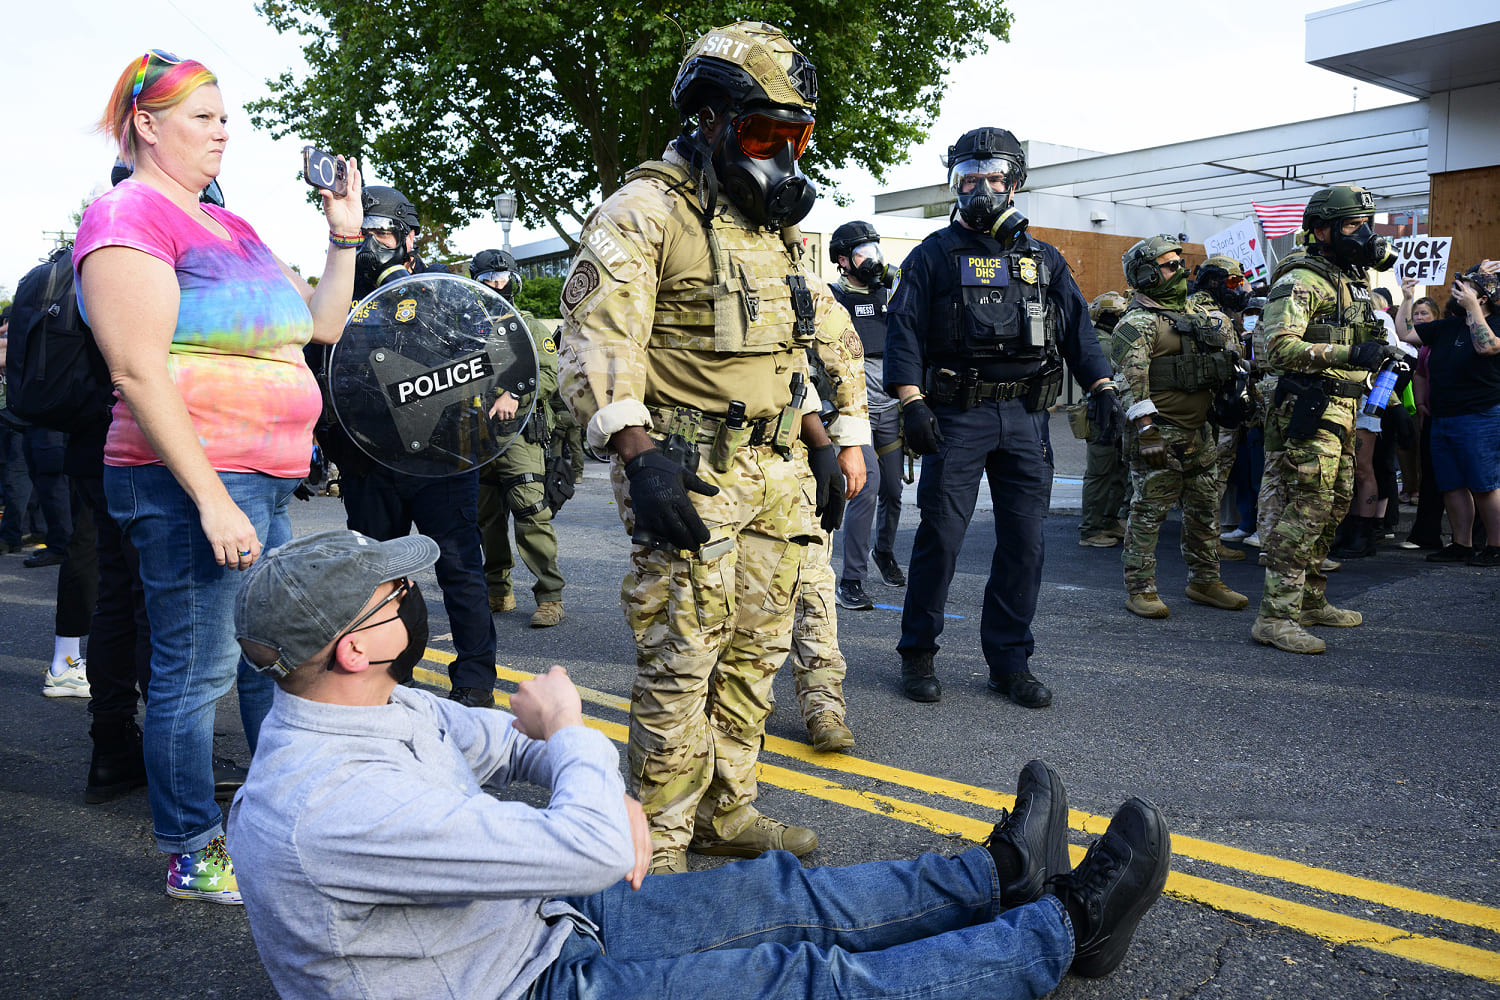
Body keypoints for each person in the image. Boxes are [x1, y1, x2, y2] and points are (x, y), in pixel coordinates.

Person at [228, 528, 1173, 1000]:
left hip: (538, 922)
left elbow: (521, 751)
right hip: (525, 987)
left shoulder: (372, 705)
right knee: (804, 981)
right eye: (396, 593)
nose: (413, 599)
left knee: (788, 898)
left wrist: (584, 793)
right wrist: (584, 773)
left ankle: (999, 874)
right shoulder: (327, 804)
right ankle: (1062, 932)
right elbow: (563, 770)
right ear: (355, 647)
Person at [558, 21, 869, 873]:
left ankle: (725, 813)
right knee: (682, 658)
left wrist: (822, 437)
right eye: (766, 134)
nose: (784, 155)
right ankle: (654, 846)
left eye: (795, 136)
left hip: (778, 475)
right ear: (708, 121)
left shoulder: (777, 232)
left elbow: (794, 342)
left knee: (755, 655)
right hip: (688, 469)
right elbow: (596, 338)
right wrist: (636, 452)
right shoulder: (646, 212)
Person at [75, 48, 362, 901]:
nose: (223, 132)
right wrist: (207, 498)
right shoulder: (129, 214)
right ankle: (192, 848)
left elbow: (321, 324)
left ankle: (272, 825)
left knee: (262, 660)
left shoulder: (226, 223)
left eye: (226, 116)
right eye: (202, 117)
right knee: (195, 669)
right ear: (147, 127)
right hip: (191, 482)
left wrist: (342, 230)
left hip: (264, 479)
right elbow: (135, 370)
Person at [884, 126, 1121, 706]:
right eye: (970, 177)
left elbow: (1078, 331)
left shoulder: (1043, 258)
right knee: (940, 536)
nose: (981, 188)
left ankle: (1010, 662)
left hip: (1025, 418)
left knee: (1025, 542)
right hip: (955, 417)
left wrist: (1104, 386)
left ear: (1014, 184)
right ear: (954, 184)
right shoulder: (931, 257)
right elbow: (903, 334)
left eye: (993, 177)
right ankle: (918, 654)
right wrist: (911, 401)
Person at [321, 185, 502, 707]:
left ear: (409, 237)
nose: (371, 247)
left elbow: (489, 363)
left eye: (380, 234)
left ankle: (475, 684)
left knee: (461, 571)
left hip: (441, 459)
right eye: (364, 235)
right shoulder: (338, 292)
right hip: (369, 462)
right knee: (377, 581)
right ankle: (389, 680)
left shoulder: (444, 291)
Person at [1250, 184, 1403, 654]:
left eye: (1367, 224)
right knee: (1305, 511)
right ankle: (1275, 617)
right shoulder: (1303, 278)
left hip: (1344, 408)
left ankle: (1311, 600)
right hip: (1311, 408)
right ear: (1322, 229)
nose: (1366, 234)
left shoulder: (1349, 279)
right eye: (1354, 225)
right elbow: (1277, 347)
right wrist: (1351, 350)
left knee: (1334, 507)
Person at [1113, 237, 1248, 619]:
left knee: (1204, 511)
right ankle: (1140, 589)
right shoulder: (1137, 322)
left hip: (1199, 432)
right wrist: (1146, 430)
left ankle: (1205, 580)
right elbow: (1130, 380)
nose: (1179, 272)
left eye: (1179, 264)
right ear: (1146, 273)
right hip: (1160, 434)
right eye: (1169, 265)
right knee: (1148, 513)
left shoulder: (1195, 315)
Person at [471, 249, 567, 627]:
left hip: (520, 436)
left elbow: (549, 375)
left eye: (501, 277)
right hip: (477, 438)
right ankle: (498, 591)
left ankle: (550, 596)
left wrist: (514, 393)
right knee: (486, 519)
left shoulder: (527, 325)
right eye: (487, 278)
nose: (495, 284)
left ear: (513, 280)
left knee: (531, 513)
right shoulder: (462, 329)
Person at [1395, 265, 1500, 566]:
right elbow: (1405, 333)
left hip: (1480, 415)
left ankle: (1495, 545)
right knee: (1451, 484)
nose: (1458, 290)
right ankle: (1461, 543)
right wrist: (1407, 297)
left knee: (1484, 484)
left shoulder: (1495, 323)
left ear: (1483, 299)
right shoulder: (1446, 326)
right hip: (1443, 417)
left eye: (1466, 287)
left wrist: (1473, 312)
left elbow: (1487, 346)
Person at [827, 221, 905, 610]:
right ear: (843, 260)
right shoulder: (833, 297)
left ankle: (884, 550)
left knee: (894, 488)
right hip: (856, 409)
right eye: (862, 253)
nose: (872, 260)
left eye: (875, 249)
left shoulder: (892, 292)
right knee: (867, 487)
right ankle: (851, 580)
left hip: (891, 406)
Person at [1077, 291, 1131, 548]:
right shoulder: (1103, 342)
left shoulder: (1102, 339)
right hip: (1103, 413)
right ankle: (1091, 529)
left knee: (1117, 469)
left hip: (1115, 412)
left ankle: (1107, 520)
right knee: (1100, 472)